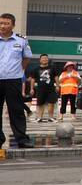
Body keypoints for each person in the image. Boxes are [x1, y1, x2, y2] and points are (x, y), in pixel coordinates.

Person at [0, 12, 34, 148]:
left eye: (6, 23)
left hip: (13, 80)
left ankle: (21, 139)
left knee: (16, 110)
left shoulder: (21, 40)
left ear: (13, 25)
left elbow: (26, 58)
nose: (2, 26)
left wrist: (19, 71)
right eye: (1, 23)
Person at [31, 54, 57, 123]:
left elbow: (56, 77)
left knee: (51, 103)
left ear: (48, 59)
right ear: (40, 60)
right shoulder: (36, 69)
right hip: (40, 89)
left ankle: (51, 118)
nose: (44, 59)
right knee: (40, 104)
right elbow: (33, 79)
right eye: (43, 58)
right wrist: (31, 88)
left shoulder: (52, 68)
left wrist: (58, 85)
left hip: (51, 89)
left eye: (46, 58)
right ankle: (39, 118)